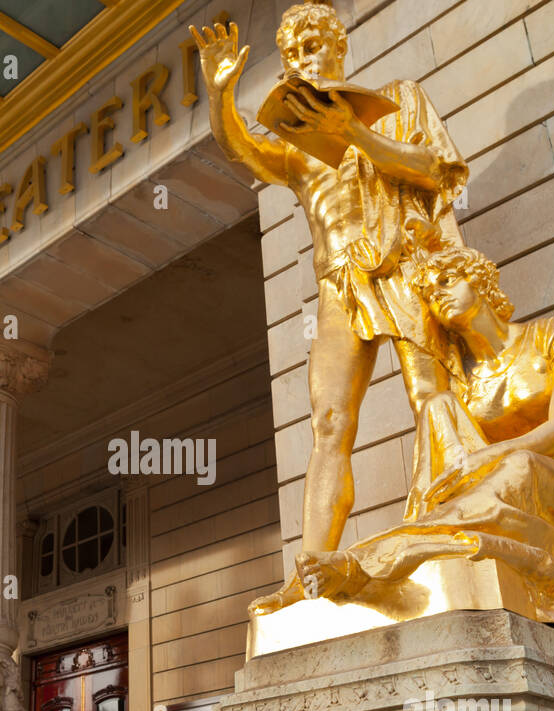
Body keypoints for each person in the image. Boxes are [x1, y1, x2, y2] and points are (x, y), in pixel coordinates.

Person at [191, 3, 468, 575]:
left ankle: (449, 527)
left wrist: (354, 131)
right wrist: (220, 96)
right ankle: (313, 570)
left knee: (430, 398)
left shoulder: (397, 100)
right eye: (292, 55)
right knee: (330, 422)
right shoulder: (296, 147)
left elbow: (433, 170)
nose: (302, 61)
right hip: (338, 286)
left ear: (339, 45)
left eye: (312, 47)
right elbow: (244, 149)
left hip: (402, 265)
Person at [280, 246, 554, 644]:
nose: (438, 295)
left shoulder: (553, 332)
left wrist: (489, 456)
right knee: (437, 407)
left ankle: (366, 560)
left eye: (447, 281)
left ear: (480, 280)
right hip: (511, 491)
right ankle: (400, 547)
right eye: (429, 295)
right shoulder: (461, 384)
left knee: (521, 465)